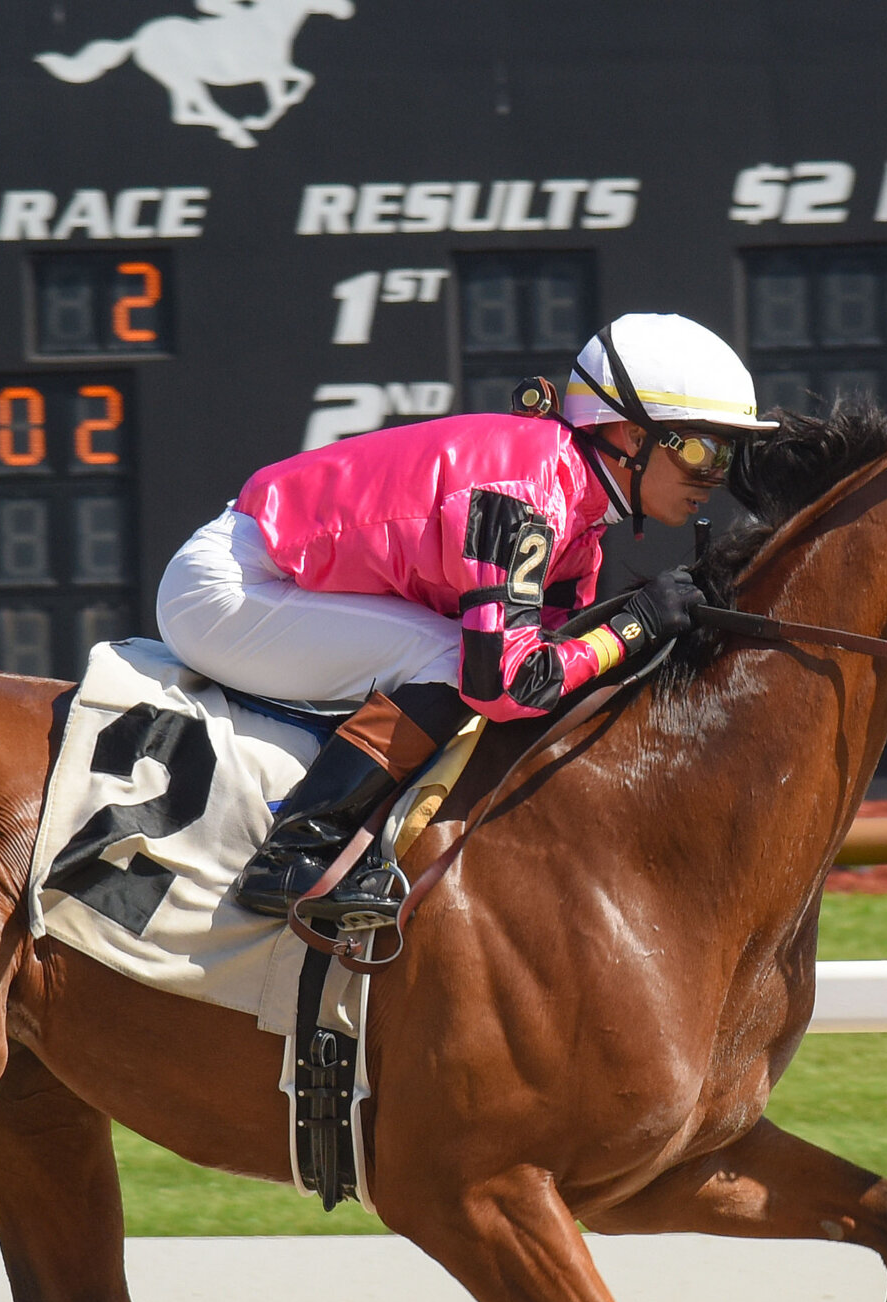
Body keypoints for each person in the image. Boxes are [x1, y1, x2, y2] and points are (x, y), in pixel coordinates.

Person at [156, 312, 776, 936]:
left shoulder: (575, 521)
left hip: (272, 577)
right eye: (701, 449)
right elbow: (505, 686)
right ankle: (296, 853)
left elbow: (557, 679)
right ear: (628, 435)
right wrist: (636, 627)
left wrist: (640, 637)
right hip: (230, 589)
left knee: (457, 655)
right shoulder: (522, 496)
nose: (714, 478)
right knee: (453, 659)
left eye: (727, 454)